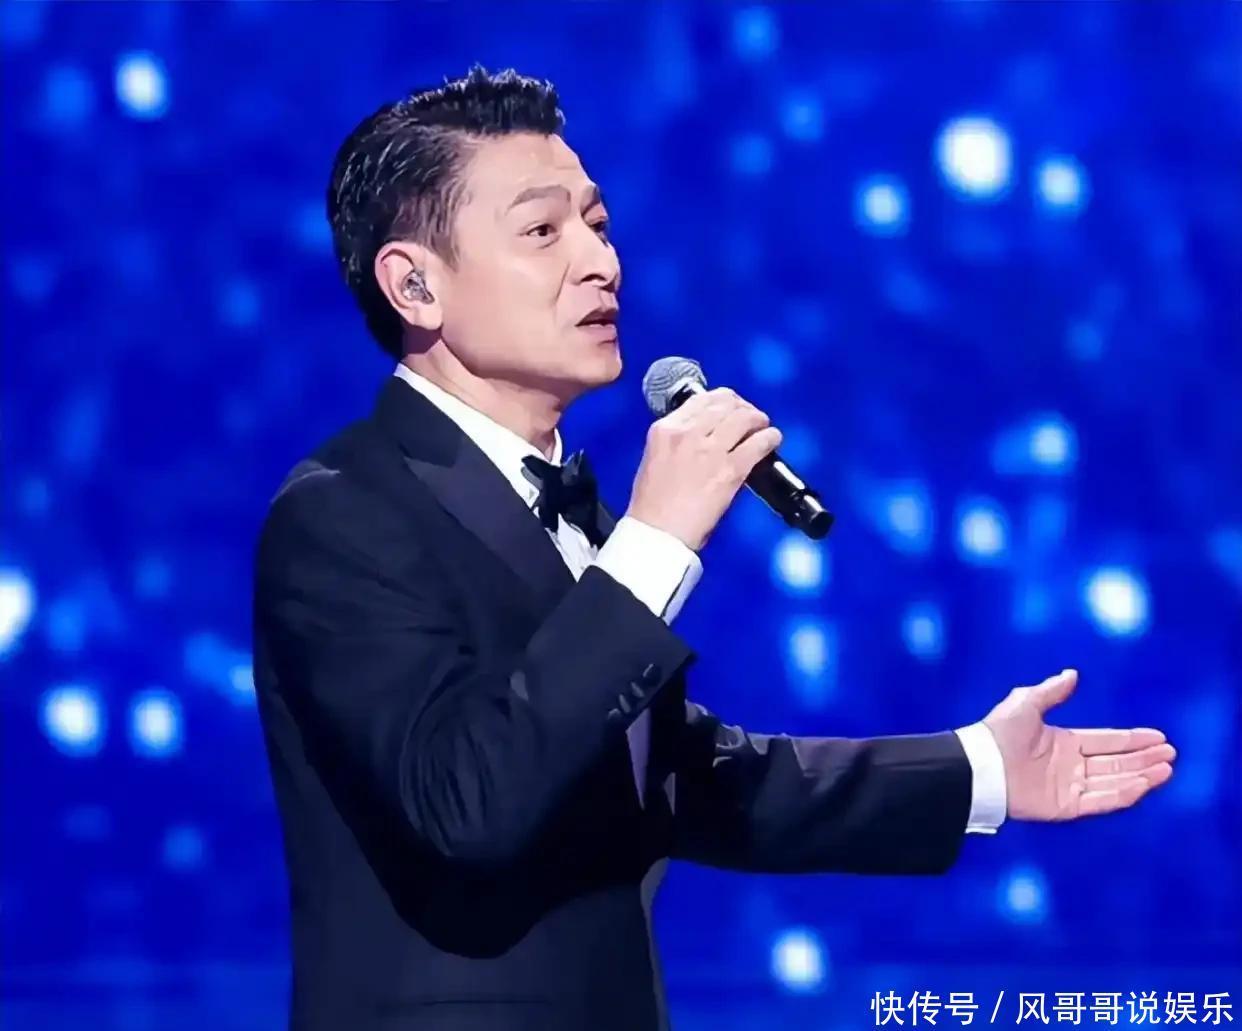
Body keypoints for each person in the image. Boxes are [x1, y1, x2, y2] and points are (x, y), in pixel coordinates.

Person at [251, 66, 1176, 1031]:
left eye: (597, 223)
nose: (600, 262)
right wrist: (653, 542)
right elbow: (468, 803)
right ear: (414, 283)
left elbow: (689, 782)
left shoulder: (569, 516)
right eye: (542, 232)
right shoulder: (343, 512)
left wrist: (979, 768)